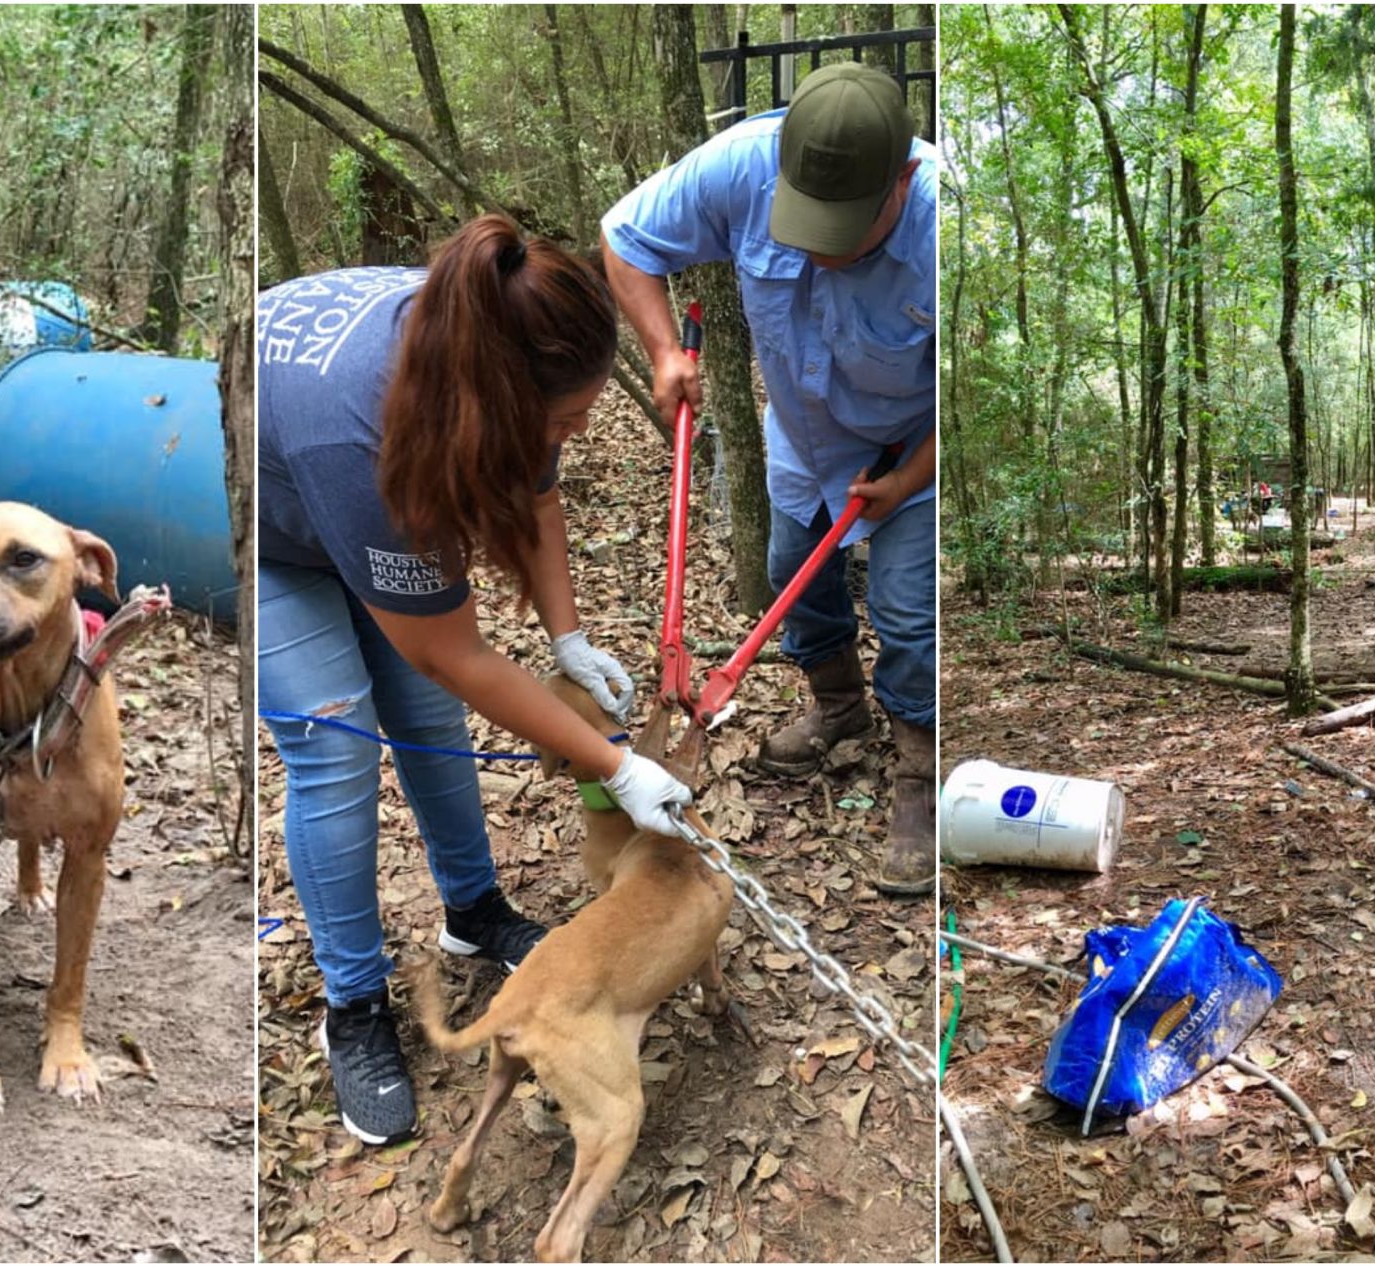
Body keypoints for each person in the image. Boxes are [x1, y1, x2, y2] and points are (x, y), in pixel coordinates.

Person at [256, 216, 695, 1145]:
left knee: (428, 715)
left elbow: (538, 494)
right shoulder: (362, 431)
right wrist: (616, 766)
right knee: (337, 745)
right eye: (566, 419)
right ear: (496, 404)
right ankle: (355, 1002)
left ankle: (473, 908)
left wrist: (567, 637)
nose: (576, 433)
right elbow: (451, 651)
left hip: (358, 482)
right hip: (269, 523)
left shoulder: (498, 345)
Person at [600, 63, 936, 896]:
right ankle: (839, 708)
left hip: (912, 447)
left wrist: (907, 479)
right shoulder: (743, 163)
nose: (818, 246)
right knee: (792, 573)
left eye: (843, 227)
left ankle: (920, 771)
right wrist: (663, 352)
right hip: (805, 437)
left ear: (901, 180)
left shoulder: (945, 222)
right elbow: (625, 237)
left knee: (906, 609)